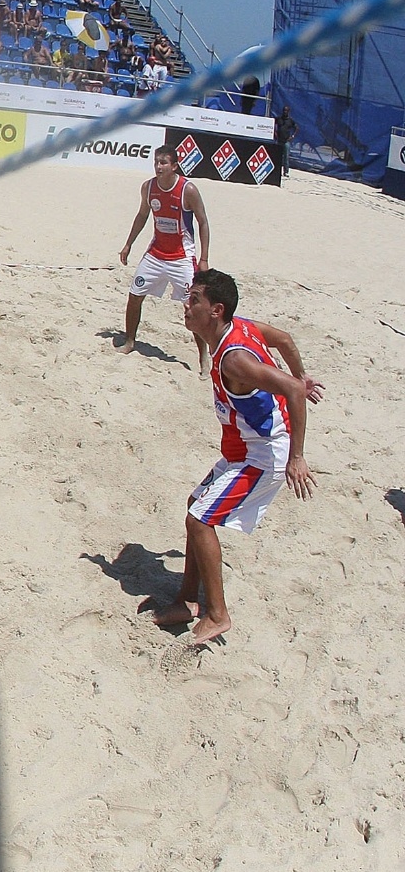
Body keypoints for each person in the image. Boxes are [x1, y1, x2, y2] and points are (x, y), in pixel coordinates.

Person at [145, 269, 321, 645]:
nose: (185, 304)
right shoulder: (238, 326)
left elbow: (292, 390)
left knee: (199, 520)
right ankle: (187, 599)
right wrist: (302, 374)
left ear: (216, 310)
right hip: (242, 450)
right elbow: (286, 339)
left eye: (194, 300)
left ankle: (217, 614)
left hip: (265, 455)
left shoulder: (233, 360)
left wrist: (297, 457)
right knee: (196, 505)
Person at [118, 146, 211, 368]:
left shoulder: (188, 190)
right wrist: (128, 244)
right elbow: (142, 215)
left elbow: (203, 222)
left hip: (182, 257)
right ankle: (130, 341)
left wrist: (204, 258)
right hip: (156, 253)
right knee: (134, 295)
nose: (159, 167)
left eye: (164, 163)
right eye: (156, 162)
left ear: (174, 166)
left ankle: (203, 358)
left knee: (193, 305)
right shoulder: (148, 187)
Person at [274, 105, 297, 179]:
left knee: (286, 157)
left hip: (286, 141)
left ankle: (286, 171)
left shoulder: (290, 120)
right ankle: (277, 170)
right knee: (278, 156)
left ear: (288, 112)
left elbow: (296, 128)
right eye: (284, 110)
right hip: (279, 140)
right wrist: (275, 132)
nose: (285, 112)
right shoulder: (279, 119)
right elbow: (273, 123)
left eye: (286, 111)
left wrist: (292, 136)